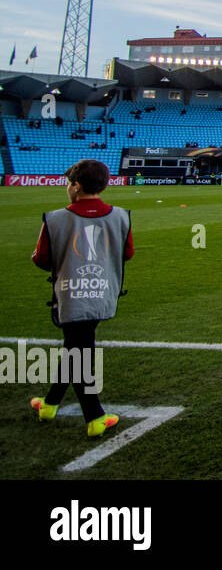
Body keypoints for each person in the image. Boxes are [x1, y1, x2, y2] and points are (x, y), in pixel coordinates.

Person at [29, 160, 133, 437]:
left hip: (71, 292)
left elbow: (42, 259)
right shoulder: (122, 216)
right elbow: (128, 253)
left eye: (68, 183)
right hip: (102, 291)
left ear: (76, 186)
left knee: (78, 350)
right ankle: (50, 404)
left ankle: (95, 416)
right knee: (76, 346)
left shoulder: (55, 218)